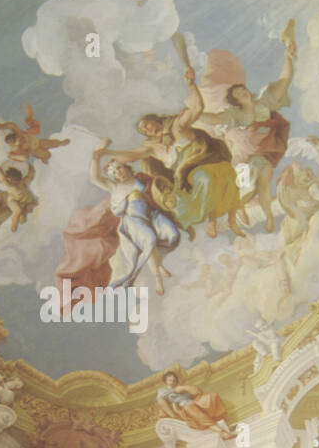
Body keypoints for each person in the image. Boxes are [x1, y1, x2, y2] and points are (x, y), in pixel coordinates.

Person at [104, 64, 245, 239]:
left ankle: (224, 219)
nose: (147, 131)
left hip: (204, 161)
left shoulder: (177, 126)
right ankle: (210, 221)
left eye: (147, 125)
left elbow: (197, 108)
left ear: (156, 120)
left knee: (219, 174)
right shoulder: (152, 147)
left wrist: (191, 85)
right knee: (203, 179)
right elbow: (129, 156)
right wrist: (106, 152)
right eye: (144, 131)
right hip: (183, 178)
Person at [194, 28, 297, 233]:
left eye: (244, 91)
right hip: (241, 157)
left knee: (264, 182)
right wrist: (195, 113)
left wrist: (288, 57)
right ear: (235, 101)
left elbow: (284, 80)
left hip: (260, 153)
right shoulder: (234, 115)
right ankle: (231, 213)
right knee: (242, 188)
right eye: (239, 95)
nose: (243, 93)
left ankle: (263, 216)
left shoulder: (264, 103)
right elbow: (214, 118)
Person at [90, 143, 180, 296]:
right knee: (149, 239)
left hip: (152, 214)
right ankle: (157, 278)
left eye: (119, 168)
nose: (118, 173)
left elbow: (157, 193)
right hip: (133, 219)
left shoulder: (142, 180)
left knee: (173, 235)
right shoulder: (114, 187)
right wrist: (95, 159)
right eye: (114, 173)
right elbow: (95, 178)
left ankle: (157, 263)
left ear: (126, 167)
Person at [156, 370, 235, 437]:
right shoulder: (163, 391)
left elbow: (197, 392)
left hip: (193, 402)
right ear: (166, 381)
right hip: (183, 409)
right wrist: (174, 415)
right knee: (190, 406)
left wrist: (183, 388)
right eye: (170, 380)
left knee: (212, 396)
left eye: (174, 380)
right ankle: (222, 432)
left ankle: (225, 425)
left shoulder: (180, 388)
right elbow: (161, 402)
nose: (172, 382)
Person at [0, 164, 37, 233]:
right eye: (11, 180)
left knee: (30, 208)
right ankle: (14, 225)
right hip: (12, 200)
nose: (13, 181)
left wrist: (30, 168)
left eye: (15, 180)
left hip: (24, 199)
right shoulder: (9, 185)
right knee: (17, 211)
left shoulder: (22, 182)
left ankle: (25, 219)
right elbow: (2, 178)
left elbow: (30, 177)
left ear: (18, 178)